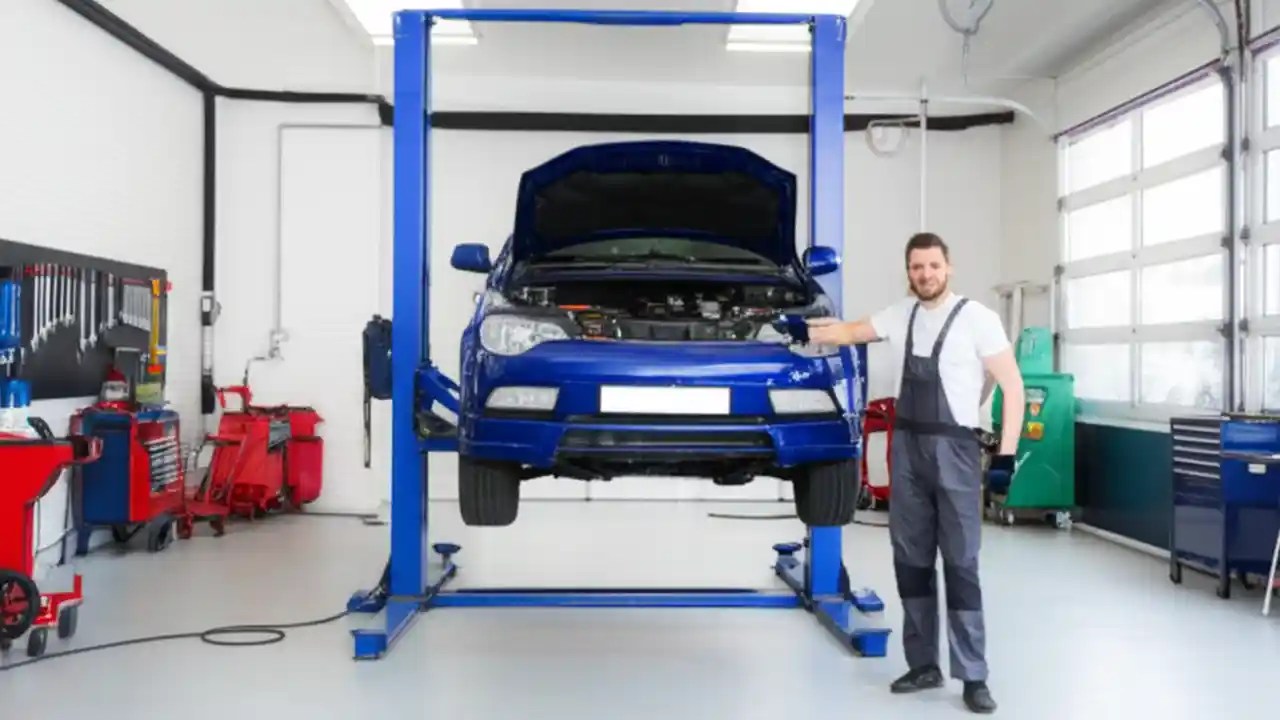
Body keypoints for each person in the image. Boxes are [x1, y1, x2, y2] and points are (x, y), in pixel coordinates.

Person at [807, 232, 1023, 715]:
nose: (925, 274)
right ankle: (923, 662)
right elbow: (848, 332)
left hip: (957, 449)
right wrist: (800, 327)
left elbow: (1013, 385)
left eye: (932, 266)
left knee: (962, 563)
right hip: (906, 450)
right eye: (916, 267)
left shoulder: (977, 319)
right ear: (908, 271)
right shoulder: (900, 315)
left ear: (949, 267)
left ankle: (974, 675)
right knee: (911, 559)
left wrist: (1005, 458)